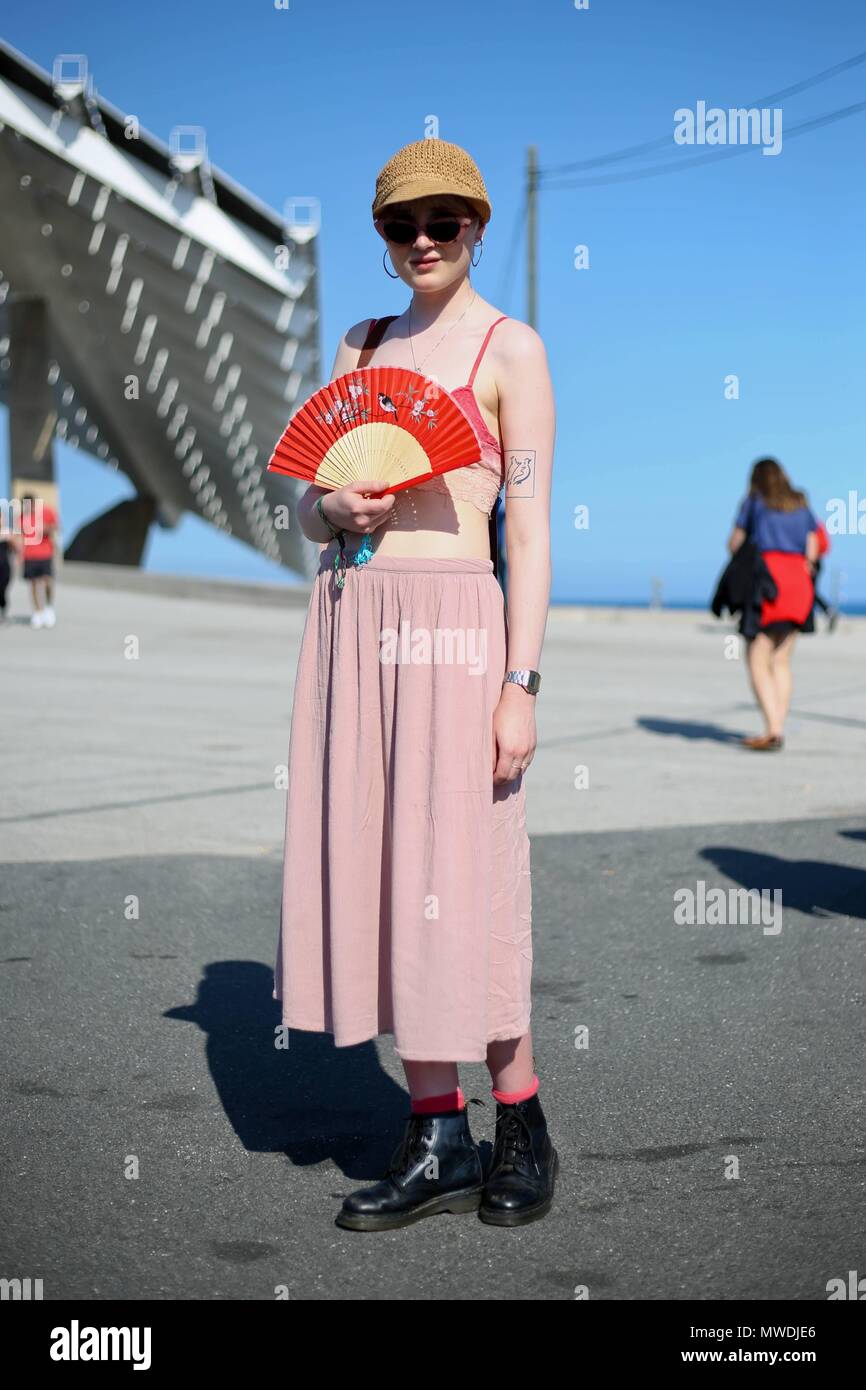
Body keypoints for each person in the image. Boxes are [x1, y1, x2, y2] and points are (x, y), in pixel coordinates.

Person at [273, 139, 558, 1230]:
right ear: (383, 239)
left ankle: (519, 1117)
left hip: (454, 631)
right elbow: (309, 500)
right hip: (353, 622)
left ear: (476, 224)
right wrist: (328, 511)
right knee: (390, 874)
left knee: (468, 873)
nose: (424, 241)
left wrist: (519, 680)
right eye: (402, 225)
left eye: (444, 221)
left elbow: (524, 527)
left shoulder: (508, 348)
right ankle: (435, 1130)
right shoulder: (359, 342)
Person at [727, 458, 819, 750]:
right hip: (799, 582)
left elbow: (734, 543)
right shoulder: (800, 502)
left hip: (768, 582)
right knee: (781, 659)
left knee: (757, 655)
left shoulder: (755, 502)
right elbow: (813, 547)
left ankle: (773, 729)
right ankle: (777, 725)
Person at [19, 492, 60, 628]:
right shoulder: (22, 517)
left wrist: (46, 528)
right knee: (34, 583)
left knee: (47, 581)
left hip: (45, 553)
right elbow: (19, 536)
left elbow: (57, 527)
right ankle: (37, 612)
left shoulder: (46, 512)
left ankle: (48, 608)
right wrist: (19, 556)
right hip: (30, 555)